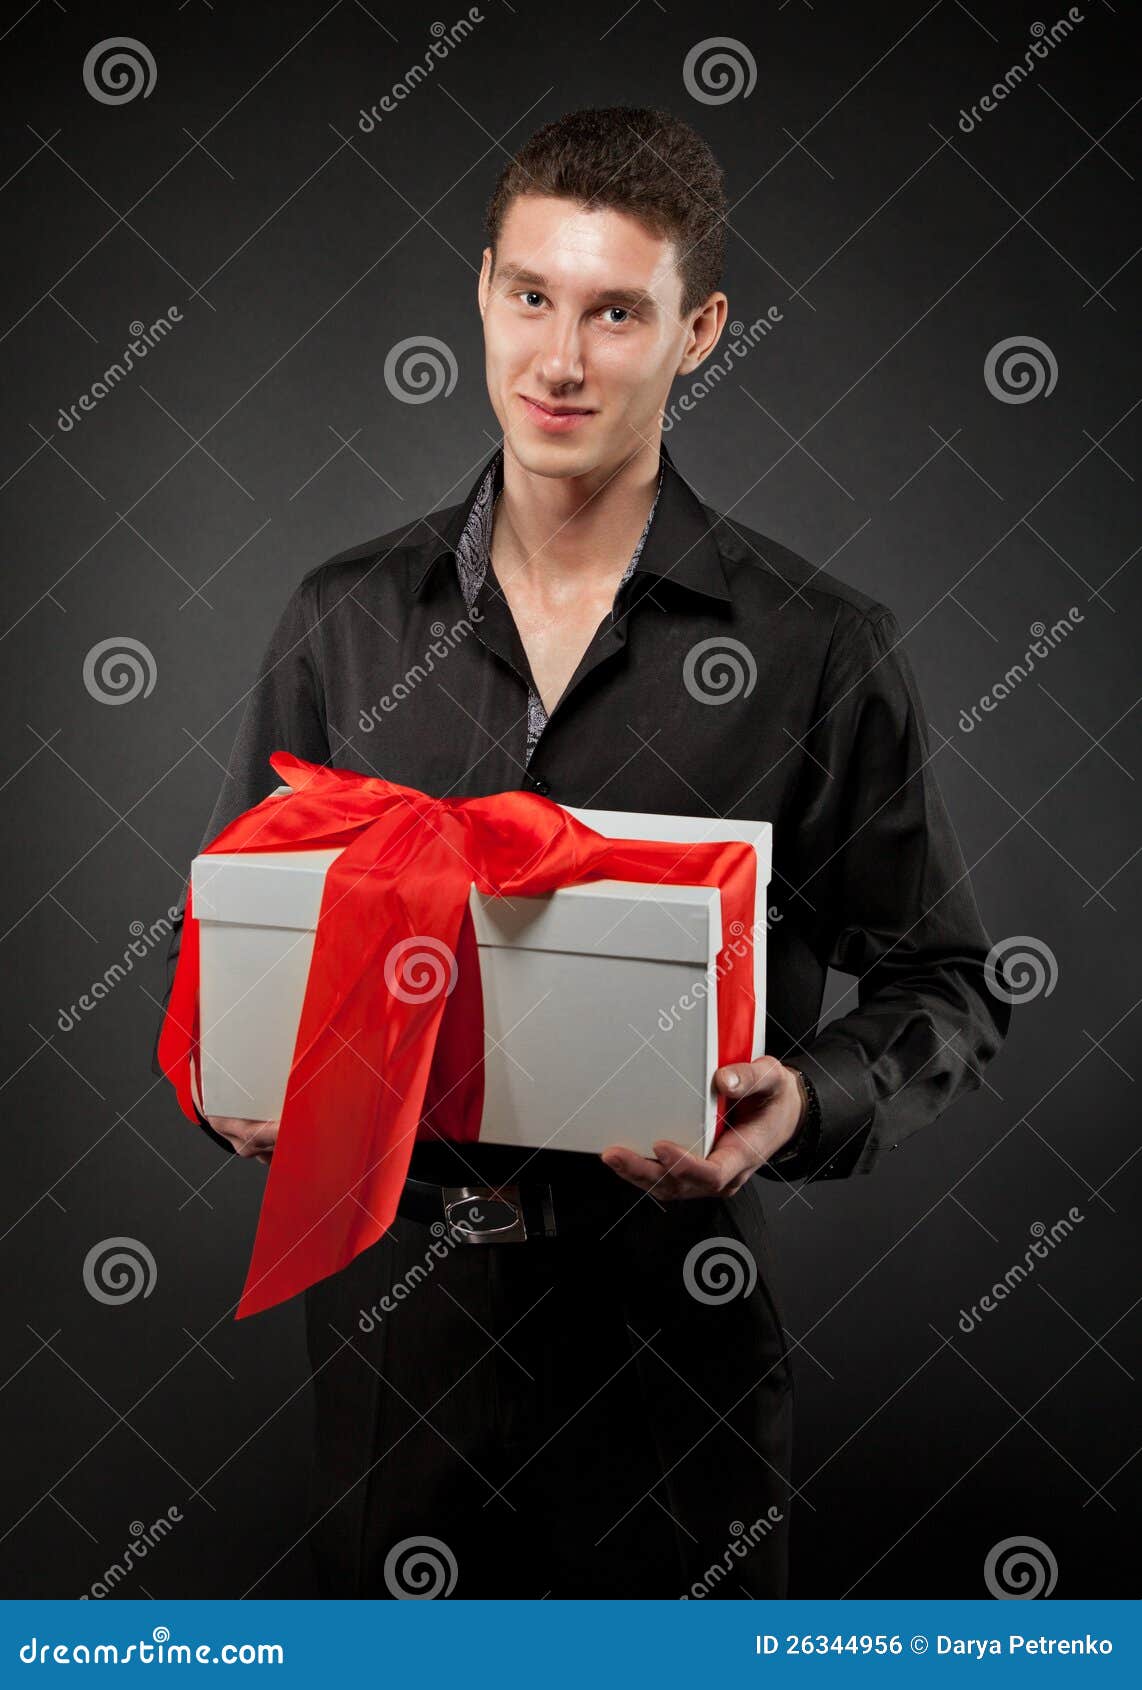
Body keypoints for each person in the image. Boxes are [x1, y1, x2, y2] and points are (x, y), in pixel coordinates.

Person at [152, 105, 1008, 1599]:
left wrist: (802, 1100)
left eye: (617, 311)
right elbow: (227, 926)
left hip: (672, 1348)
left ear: (699, 331)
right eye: (532, 296)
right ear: (482, 290)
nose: (559, 357)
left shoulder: (815, 649)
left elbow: (946, 981)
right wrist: (231, 1075)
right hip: (393, 1344)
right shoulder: (343, 618)